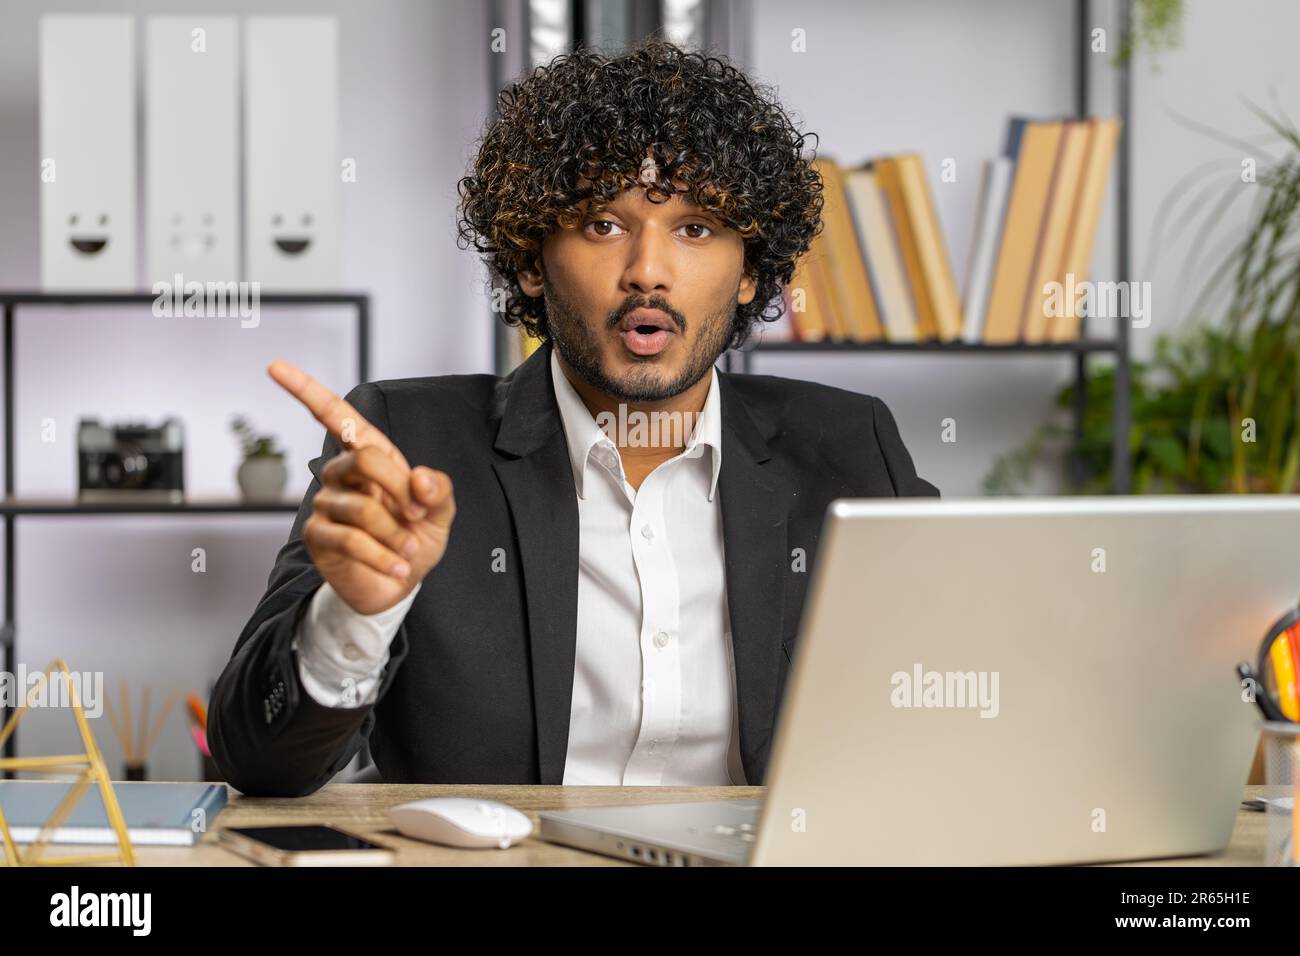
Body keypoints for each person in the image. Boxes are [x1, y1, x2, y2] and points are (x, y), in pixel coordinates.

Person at [209, 37, 939, 797]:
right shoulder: (408, 439)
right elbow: (256, 764)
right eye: (602, 224)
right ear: (531, 258)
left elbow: (960, 700)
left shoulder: (849, 445)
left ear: (751, 270)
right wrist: (355, 615)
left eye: (696, 228)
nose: (647, 271)